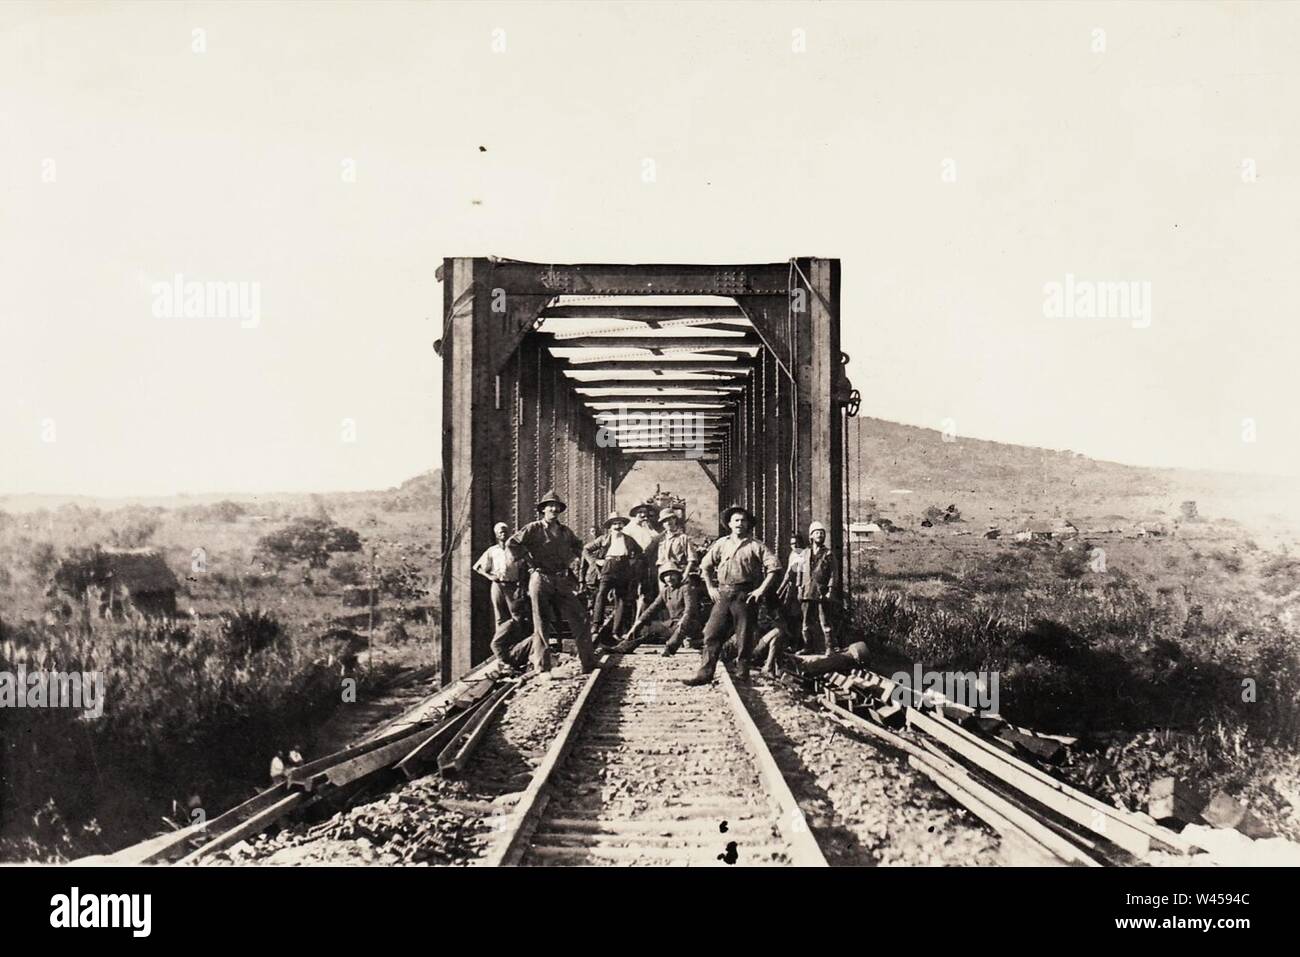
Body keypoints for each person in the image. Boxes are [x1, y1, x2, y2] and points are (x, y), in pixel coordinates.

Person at [685, 504, 781, 685]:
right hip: (723, 594)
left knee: (744, 637)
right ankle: (705, 673)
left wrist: (761, 590)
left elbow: (774, 567)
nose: (739, 523)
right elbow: (705, 566)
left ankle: (742, 674)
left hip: (745, 596)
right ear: (729, 524)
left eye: (743, 520)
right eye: (736, 520)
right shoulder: (721, 544)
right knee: (711, 633)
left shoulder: (755, 545)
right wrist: (710, 587)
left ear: (748, 524)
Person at [505, 489, 597, 674]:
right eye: (550, 506)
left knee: (580, 617)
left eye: (556, 507)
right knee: (542, 623)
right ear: (543, 510)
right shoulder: (533, 528)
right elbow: (512, 543)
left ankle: (588, 663)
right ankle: (543, 668)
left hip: (561, 579)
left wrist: (587, 563)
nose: (553, 509)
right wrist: (528, 561)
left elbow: (579, 546)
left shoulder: (564, 531)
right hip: (540, 578)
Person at [583, 511, 645, 646]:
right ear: (610, 526)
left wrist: (632, 563)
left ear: (623, 525)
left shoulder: (628, 539)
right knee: (602, 594)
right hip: (608, 567)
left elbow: (639, 552)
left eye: (619, 523)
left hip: (623, 568)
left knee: (621, 599)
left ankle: (616, 631)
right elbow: (586, 549)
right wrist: (595, 562)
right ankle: (596, 624)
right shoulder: (604, 539)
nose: (617, 526)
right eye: (614, 524)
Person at [612, 563, 702, 655]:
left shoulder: (686, 588)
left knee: (683, 625)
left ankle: (670, 648)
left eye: (672, 574)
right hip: (671, 625)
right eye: (666, 575)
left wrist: (682, 621)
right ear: (663, 579)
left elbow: (690, 609)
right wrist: (637, 623)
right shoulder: (665, 591)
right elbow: (652, 608)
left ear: (678, 576)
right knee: (644, 628)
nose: (669, 578)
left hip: (690, 624)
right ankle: (624, 647)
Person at [472, 521, 526, 631]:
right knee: (499, 616)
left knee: (515, 615)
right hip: (497, 586)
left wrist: (520, 586)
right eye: (501, 532)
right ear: (497, 535)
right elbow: (478, 567)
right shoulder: (492, 551)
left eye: (506, 532)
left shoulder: (516, 550)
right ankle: (500, 645)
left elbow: (523, 568)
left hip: (512, 585)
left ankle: (515, 643)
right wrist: (489, 576)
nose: (503, 535)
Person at [800, 520, 840, 654]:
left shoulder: (828, 554)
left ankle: (829, 647)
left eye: (822, 533)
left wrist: (830, 590)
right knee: (806, 622)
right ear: (811, 536)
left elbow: (834, 574)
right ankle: (808, 647)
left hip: (821, 591)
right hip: (807, 591)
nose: (819, 535)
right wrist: (799, 587)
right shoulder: (805, 553)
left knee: (825, 621)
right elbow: (800, 571)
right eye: (816, 533)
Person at [625, 503, 661, 616]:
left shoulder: (647, 527)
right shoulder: (628, 528)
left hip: (647, 562)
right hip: (634, 562)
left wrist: (649, 527)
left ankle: (642, 617)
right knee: (634, 592)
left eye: (645, 513)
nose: (643, 515)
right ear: (635, 514)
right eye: (640, 512)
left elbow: (656, 539)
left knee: (645, 591)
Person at [656, 507, 696, 576]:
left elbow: (691, 559)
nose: (668, 522)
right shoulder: (660, 539)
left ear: (675, 519)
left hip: (679, 573)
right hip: (664, 574)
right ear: (662, 524)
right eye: (665, 521)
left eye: (670, 519)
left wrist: (686, 574)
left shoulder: (683, 538)